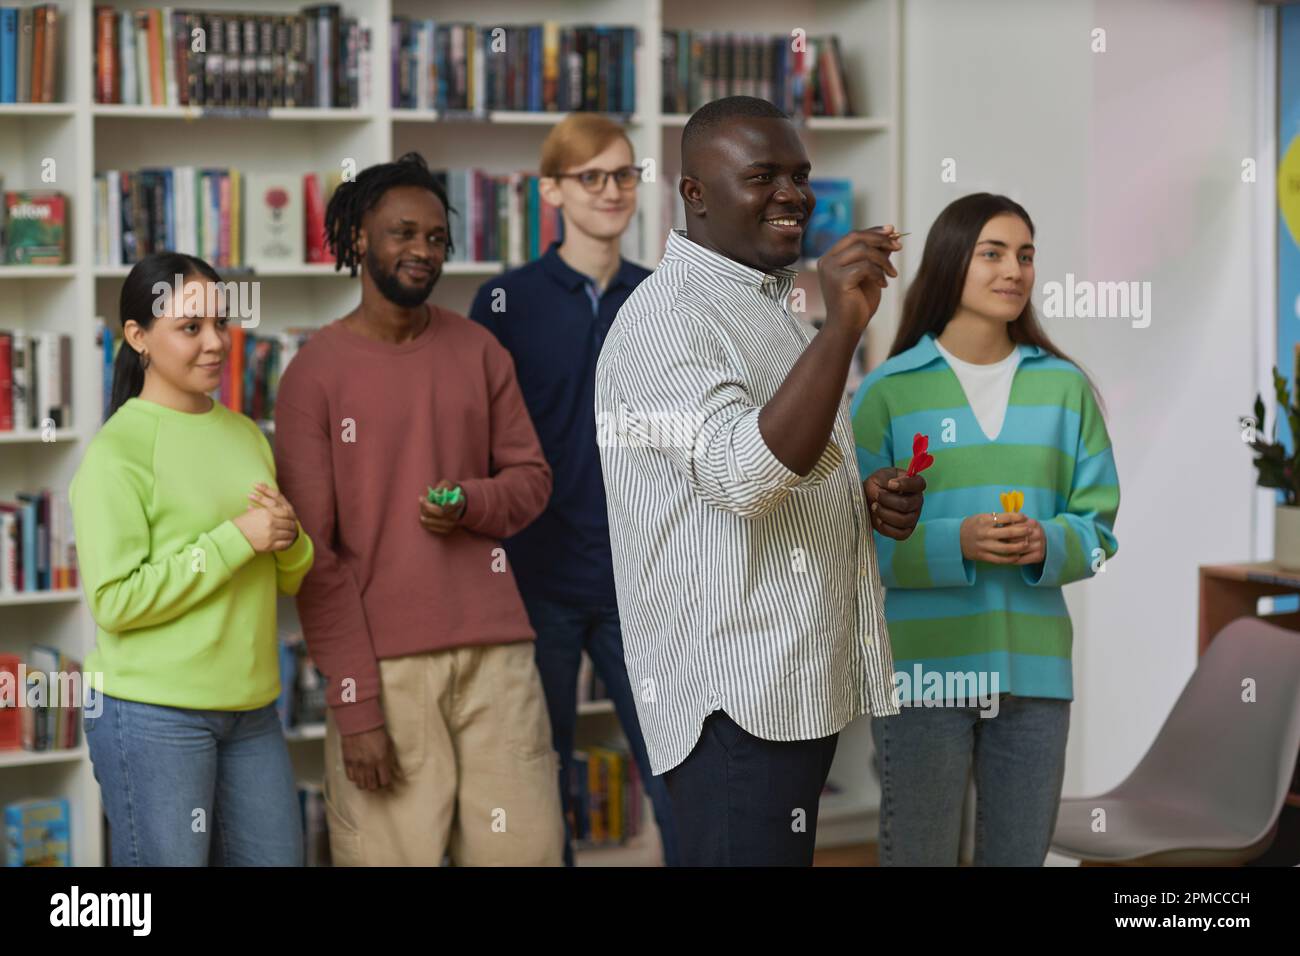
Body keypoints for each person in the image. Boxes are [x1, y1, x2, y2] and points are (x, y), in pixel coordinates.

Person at [594, 96, 925, 866]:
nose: (794, 194)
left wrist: (857, 498)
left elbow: (775, 457)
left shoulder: (766, 304)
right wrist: (845, 324)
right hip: (733, 701)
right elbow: (743, 478)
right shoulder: (667, 319)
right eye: (763, 175)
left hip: (787, 683)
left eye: (801, 174)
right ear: (695, 193)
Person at [273, 152, 564, 866]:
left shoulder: (479, 350)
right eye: (403, 233)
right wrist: (355, 707)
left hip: (499, 660)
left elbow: (531, 480)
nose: (422, 251)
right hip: (386, 670)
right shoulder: (315, 375)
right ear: (359, 240)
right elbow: (315, 560)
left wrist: (471, 503)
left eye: (436, 238)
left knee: (525, 854)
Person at [850, 193, 1121, 866]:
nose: (1015, 270)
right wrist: (956, 543)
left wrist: (1048, 544)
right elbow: (852, 543)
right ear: (951, 262)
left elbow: (1098, 532)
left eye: (1025, 255)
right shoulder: (888, 392)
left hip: (1034, 678)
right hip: (922, 673)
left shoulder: (1064, 390)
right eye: (993, 253)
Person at [468, 113, 678, 866]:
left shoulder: (664, 300)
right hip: (535, 579)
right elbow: (480, 443)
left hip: (644, 580)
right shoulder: (504, 303)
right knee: (535, 781)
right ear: (552, 189)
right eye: (592, 176)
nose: (613, 191)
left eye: (624, 174)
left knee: (675, 773)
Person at [71, 251, 314, 866]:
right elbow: (115, 601)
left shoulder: (244, 434)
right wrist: (238, 538)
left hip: (252, 710)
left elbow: (285, 573)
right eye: (189, 328)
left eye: (220, 324)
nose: (214, 343)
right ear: (138, 337)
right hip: (152, 714)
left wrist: (289, 537)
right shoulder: (116, 453)